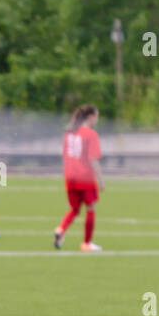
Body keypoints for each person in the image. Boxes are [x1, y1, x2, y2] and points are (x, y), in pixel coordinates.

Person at [55, 104, 103, 251]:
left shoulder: (69, 132)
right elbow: (93, 159)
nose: (97, 120)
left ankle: (60, 230)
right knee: (91, 208)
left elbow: (65, 155)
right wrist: (100, 180)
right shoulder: (90, 134)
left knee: (75, 209)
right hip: (85, 177)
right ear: (90, 117)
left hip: (70, 177)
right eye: (97, 117)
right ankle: (87, 243)